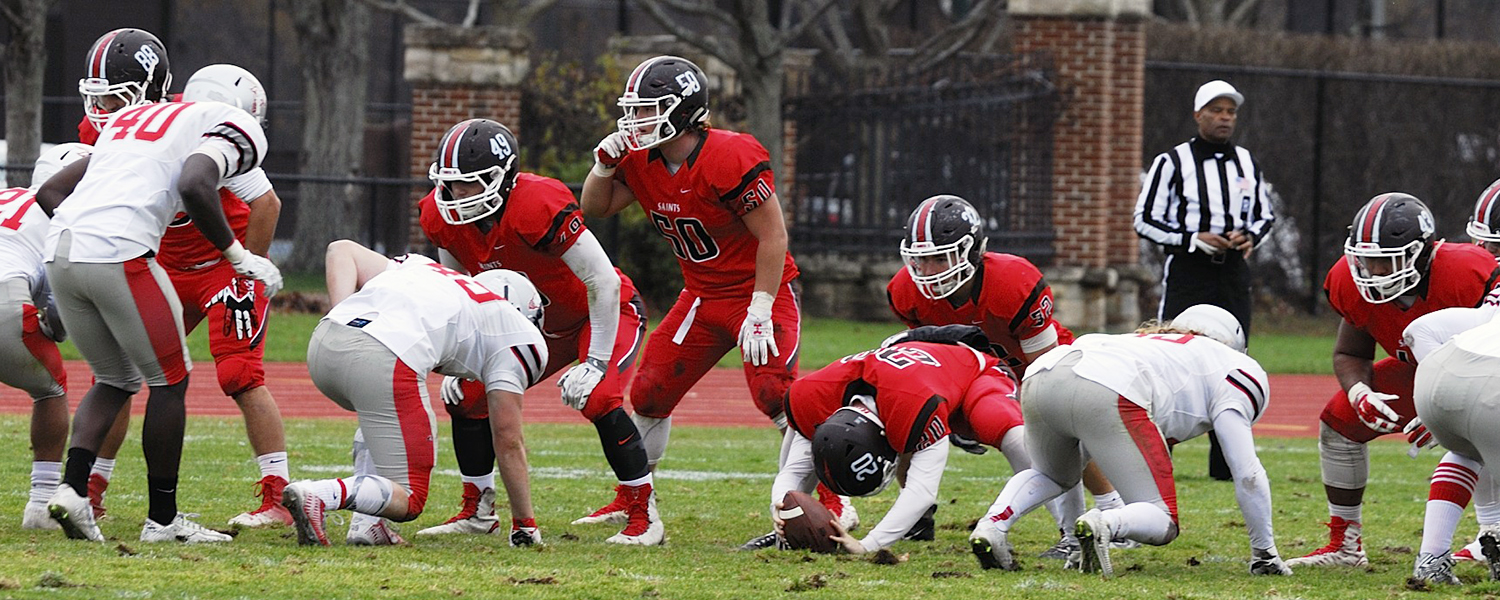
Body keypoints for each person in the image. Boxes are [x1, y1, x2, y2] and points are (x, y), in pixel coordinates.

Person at [580, 55, 854, 541]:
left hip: (758, 291)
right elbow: (596, 207)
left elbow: (774, 237)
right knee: (646, 394)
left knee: (778, 396)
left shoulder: (730, 155)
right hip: (702, 296)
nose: (636, 122)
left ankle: (833, 501)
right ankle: (632, 497)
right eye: (634, 111)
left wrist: (762, 307)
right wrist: (602, 167)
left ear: (683, 110)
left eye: (648, 110)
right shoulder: (640, 159)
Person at [36, 98, 281, 543]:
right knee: (171, 381)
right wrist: (239, 256)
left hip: (60, 249)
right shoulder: (235, 126)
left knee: (114, 378)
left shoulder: (128, 119)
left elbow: (48, 193)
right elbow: (194, 184)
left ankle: (73, 490)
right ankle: (163, 520)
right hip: (120, 252)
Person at [414, 118, 659, 545]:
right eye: (452, 184)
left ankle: (644, 514)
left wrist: (597, 362)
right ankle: (478, 509)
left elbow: (603, 281)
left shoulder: (536, 202)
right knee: (467, 396)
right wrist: (460, 359)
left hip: (597, 314)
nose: (458, 195)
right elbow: (457, 291)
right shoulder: (441, 214)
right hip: (533, 327)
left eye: (471, 184)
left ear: (502, 179)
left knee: (599, 396)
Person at [969, 305, 1291, 577]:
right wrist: (1265, 552)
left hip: (1044, 372)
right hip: (1109, 386)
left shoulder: (1144, 344)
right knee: (1162, 519)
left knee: (1051, 474)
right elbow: (1246, 472)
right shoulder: (1235, 365)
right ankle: (1103, 522)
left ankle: (993, 526)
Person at [886, 193, 1118, 559]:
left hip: (1038, 364)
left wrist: (1021, 401)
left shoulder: (1012, 281)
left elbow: (1043, 370)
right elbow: (932, 360)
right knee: (909, 416)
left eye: (938, 258)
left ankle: (1106, 509)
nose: (928, 271)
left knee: (1056, 430)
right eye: (920, 259)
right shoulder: (905, 292)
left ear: (972, 251)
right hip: (976, 373)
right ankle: (917, 516)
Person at [281, 242, 545, 547]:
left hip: (324, 343)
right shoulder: (520, 334)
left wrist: (342, 310)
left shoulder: (425, 267)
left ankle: (368, 525)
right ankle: (318, 495)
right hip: (382, 359)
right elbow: (508, 438)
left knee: (380, 414)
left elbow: (340, 250)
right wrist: (525, 523)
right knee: (410, 496)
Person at [1287, 193, 1500, 568]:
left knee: (1477, 433)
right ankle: (1346, 545)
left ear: (1421, 253)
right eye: (1366, 259)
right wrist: (1359, 393)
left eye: (1386, 261)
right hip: (1422, 373)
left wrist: (1446, 408)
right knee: (1338, 423)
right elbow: (1350, 353)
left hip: (1481, 371)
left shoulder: (1467, 272)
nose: (1373, 271)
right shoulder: (1349, 281)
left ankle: (1490, 534)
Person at [769, 325, 1077, 556]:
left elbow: (921, 491)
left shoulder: (913, 406)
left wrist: (867, 545)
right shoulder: (815, 394)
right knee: (798, 425)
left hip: (974, 375)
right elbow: (794, 470)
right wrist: (782, 512)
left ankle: (1070, 533)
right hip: (917, 380)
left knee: (1002, 427)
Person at [1133, 80, 1274, 481]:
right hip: (1188, 270)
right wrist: (1192, 239)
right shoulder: (1172, 162)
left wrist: (1250, 237)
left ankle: (1226, 462)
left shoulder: (1247, 161)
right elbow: (1144, 219)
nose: (1225, 117)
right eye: (1216, 110)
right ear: (1198, 115)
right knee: (1169, 355)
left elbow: (1264, 215)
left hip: (1232, 271)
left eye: (1231, 111)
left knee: (1235, 359)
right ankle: (1158, 452)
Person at [0, 143, 90, 530]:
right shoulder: (67, 222)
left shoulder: (7, 195)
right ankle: (40, 504)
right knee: (51, 388)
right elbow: (58, 319)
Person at [1400, 306, 1500, 584]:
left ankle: (1432, 560)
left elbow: (1418, 330)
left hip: (1438, 374)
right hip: (1494, 383)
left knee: (1464, 452)